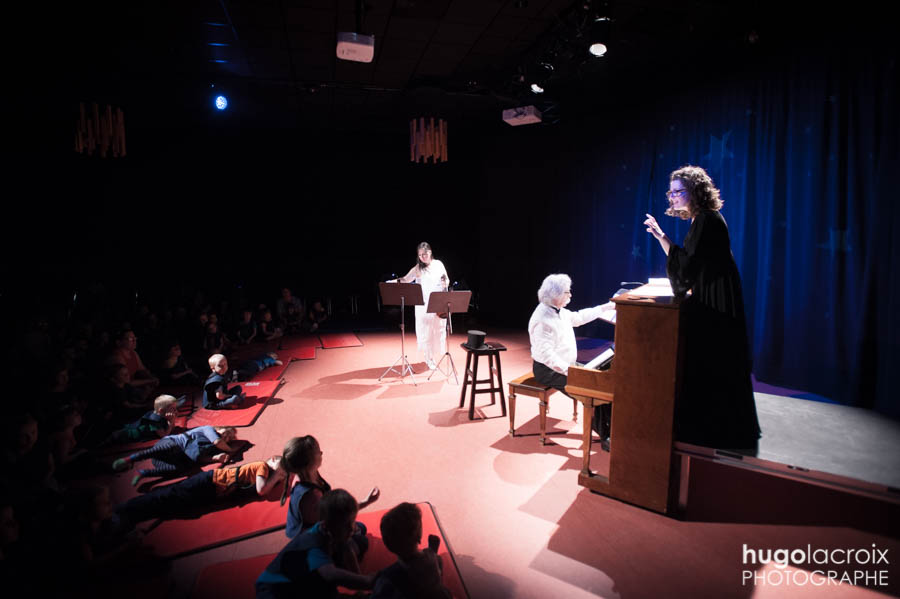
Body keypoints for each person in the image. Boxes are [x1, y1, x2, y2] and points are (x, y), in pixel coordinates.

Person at [643, 165, 761, 449]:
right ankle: (715, 425)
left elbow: (685, 267)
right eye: (670, 193)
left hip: (716, 299)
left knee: (714, 358)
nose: (672, 197)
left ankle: (716, 429)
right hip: (714, 293)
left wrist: (664, 239)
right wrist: (662, 236)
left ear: (695, 191)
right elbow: (686, 262)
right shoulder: (702, 220)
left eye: (678, 191)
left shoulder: (707, 220)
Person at [528, 274, 612, 450]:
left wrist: (604, 308)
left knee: (602, 383)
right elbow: (547, 356)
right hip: (548, 370)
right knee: (591, 393)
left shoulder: (558, 310)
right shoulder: (543, 319)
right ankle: (605, 435)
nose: (570, 295)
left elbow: (579, 317)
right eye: (567, 292)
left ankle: (609, 430)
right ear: (556, 295)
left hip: (567, 366)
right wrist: (573, 372)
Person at [256, 489, 375, 599]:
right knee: (328, 588)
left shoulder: (331, 529)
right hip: (273, 592)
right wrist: (368, 582)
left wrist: (361, 585)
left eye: (352, 522)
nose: (352, 529)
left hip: (297, 579)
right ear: (328, 524)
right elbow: (331, 575)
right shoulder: (314, 543)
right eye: (347, 524)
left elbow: (348, 551)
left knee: (359, 537)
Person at [115, 455, 287, 529]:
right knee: (169, 495)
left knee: (173, 506)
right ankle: (127, 507)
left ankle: (133, 515)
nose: (279, 474)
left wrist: (279, 476)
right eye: (279, 468)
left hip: (211, 493)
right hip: (208, 482)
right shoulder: (262, 466)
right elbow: (262, 490)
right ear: (272, 460)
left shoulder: (268, 474)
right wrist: (278, 474)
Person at [281, 436, 379, 541]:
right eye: (318, 452)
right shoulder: (311, 495)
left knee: (360, 528)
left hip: (319, 522)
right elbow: (333, 518)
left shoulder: (306, 474)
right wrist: (365, 503)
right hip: (313, 536)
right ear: (310, 462)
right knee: (362, 540)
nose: (321, 453)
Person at [111, 425, 238, 486]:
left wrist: (215, 458)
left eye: (230, 438)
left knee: (183, 468)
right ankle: (131, 458)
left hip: (165, 461)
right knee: (171, 446)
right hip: (166, 446)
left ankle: (144, 473)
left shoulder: (214, 448)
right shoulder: (209, 429)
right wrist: (230, 449)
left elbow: (198, 458)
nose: (227, 437)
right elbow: (218, 441)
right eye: (227, 432)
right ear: (220, 428)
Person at [372, 502, 451, 599]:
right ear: (419, 536)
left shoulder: (388, 576)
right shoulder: (432, 557)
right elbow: (435, 563)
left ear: (388, 545)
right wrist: (433, 548)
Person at [395, 242, 449, 370]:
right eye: (420, 255)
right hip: (422, 305)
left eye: (424, 254)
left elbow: (447, 279)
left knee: (437, 331)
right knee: (426, 332)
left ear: (430, 252)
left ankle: (434, 357)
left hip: (437, 303)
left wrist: (444, 282)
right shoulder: (417, 268)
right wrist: (394, 282)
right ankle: (428, 358)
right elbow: (406, 279)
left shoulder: (439, 264)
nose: (422, 257)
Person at [102, 394, 179, 445]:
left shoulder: (163, 415)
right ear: (161, 411)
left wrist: (172, 420)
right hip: (127, 434)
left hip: (128, 430)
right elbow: (164, 435)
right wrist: (171, 421)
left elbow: (172, 428)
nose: (175, 411)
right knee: (108, 441)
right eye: (173, 409)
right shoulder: (154, 419)